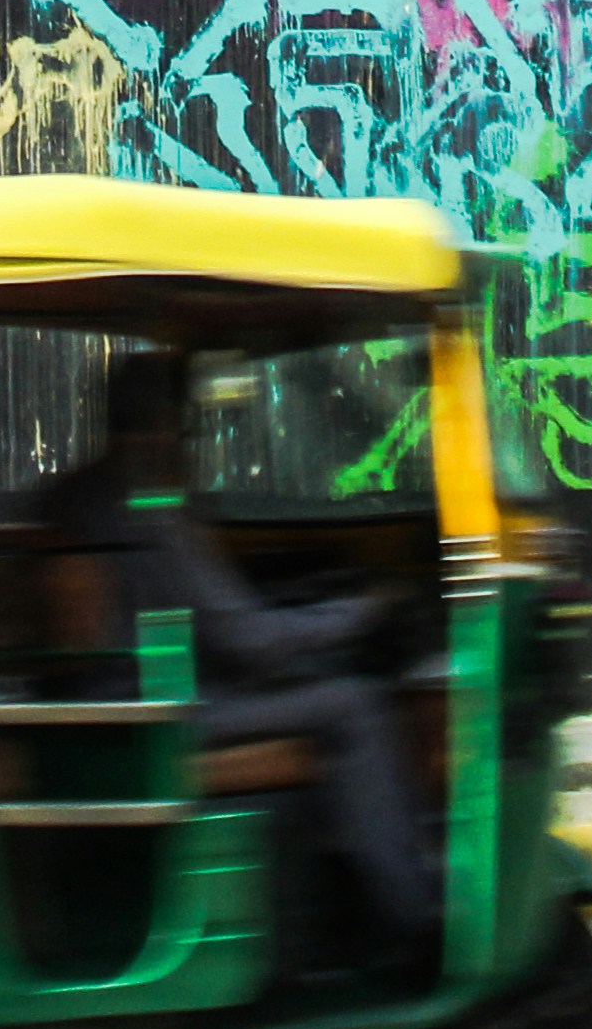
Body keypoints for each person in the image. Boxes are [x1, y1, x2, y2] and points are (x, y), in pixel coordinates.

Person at [39, 349, 437, 963]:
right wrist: (359, 611)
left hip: (108, 705)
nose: (187, 445)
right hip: (154, 718)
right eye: (183, 428)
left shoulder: (73, 496)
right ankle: (411, 917)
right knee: (356, 705)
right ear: (156, 428)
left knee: (316, 684)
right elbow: (248, 641)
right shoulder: (150, 510)